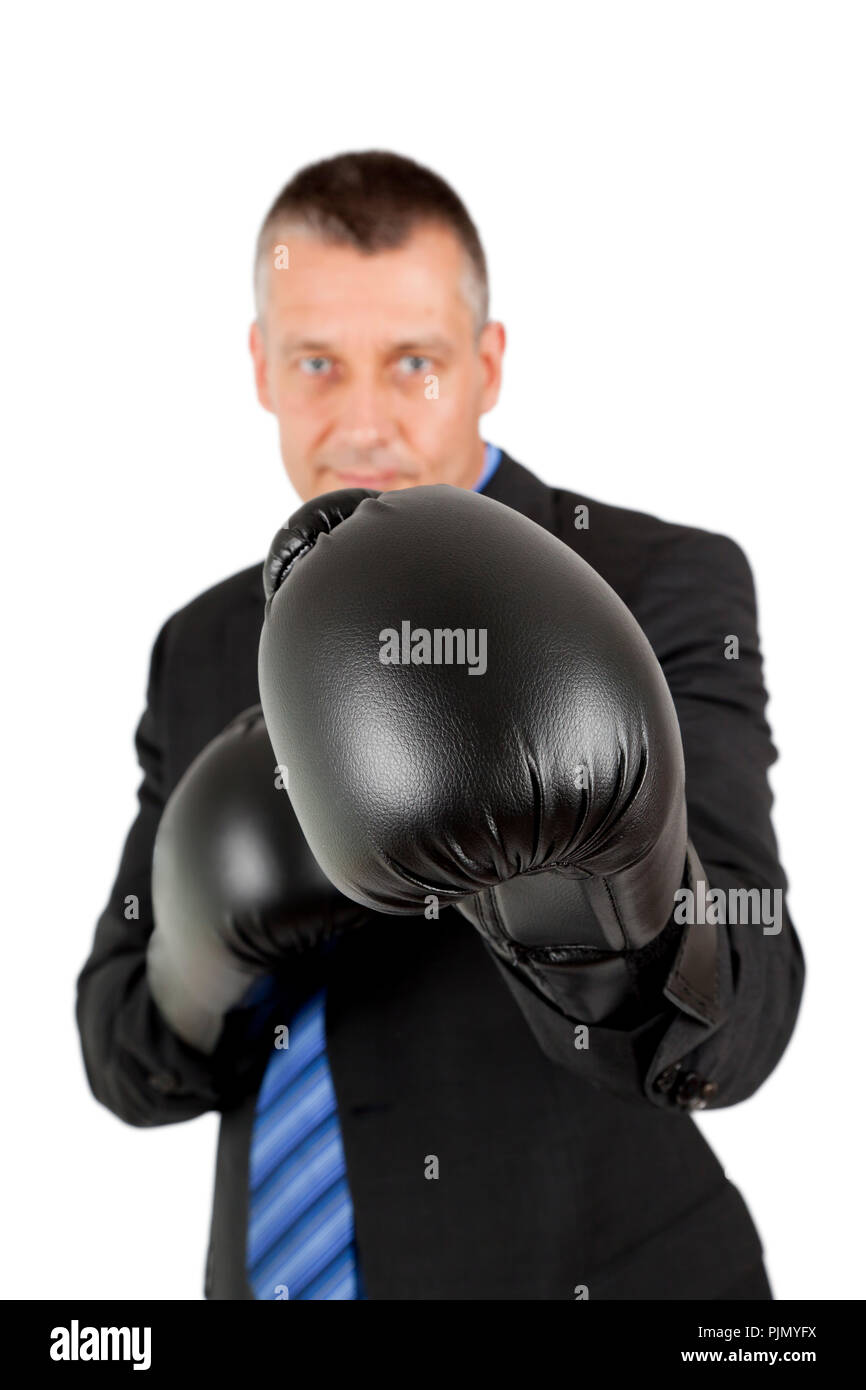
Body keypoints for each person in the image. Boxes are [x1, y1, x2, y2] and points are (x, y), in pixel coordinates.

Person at [76, 149, 805, 1301]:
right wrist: (198, 944)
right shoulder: (204, 640)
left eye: (411, 362)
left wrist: (603, 891)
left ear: (486, 363)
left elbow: (744, 1015)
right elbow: (122, 1060)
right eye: (317, 361)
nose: (361, 420)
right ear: (261, 366)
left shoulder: (653, 579)